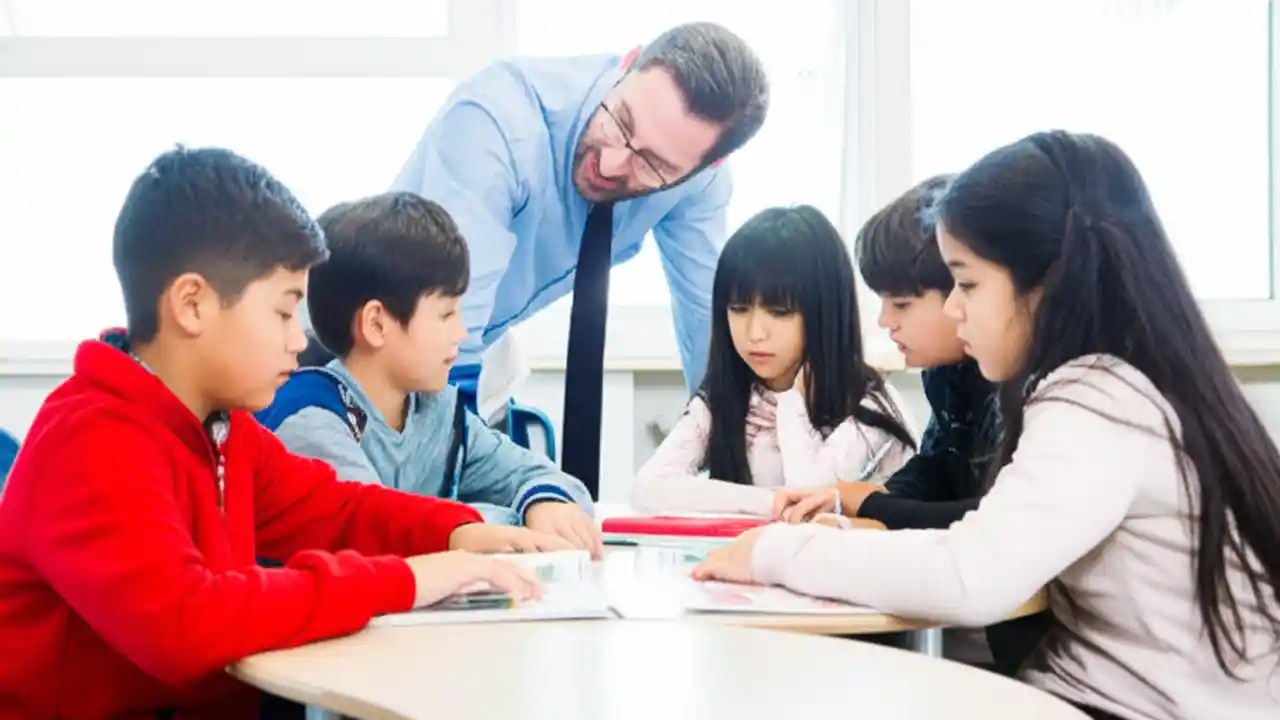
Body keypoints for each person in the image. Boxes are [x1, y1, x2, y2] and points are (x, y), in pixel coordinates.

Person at [695, 131, 1280, 720]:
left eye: (968, 283)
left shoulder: (1099, 401)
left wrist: (776, 550)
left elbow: (969, 576)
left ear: (1050, 281)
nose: (954, 308)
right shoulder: (1139, 383)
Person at [0, 147, 554, 719]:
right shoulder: (90, 443)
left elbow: (334, 510)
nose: (298, 340)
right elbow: (187, 622)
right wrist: (408, 580)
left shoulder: (224, 429)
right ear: (193, 305)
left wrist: (458, 533)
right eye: (284, 312)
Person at [390, 21, 770, 497]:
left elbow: (708, 328)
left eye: (653, 165)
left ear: (705, 166)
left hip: (468, 357)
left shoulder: (699, 183)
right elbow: (449, 316)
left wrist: (742, 487)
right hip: (355, 350)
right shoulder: (498, 118)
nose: (611, 163)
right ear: (628, 63)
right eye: (621, 121)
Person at [259, 192, 601, 556]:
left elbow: (549, 481)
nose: (462, 333)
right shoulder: (310, 419)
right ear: (377, 324)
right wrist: (494, 526)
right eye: (446, 314)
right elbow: (376, 541)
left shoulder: (438, 414)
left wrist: (544, 502)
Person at [632, 205, 915, 516]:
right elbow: (648, 488)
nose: (755, 333)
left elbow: (807, 506)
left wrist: (793, 405)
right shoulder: (728, 395)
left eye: (780, 313)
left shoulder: (869, 407)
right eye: (738, 308)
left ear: (824, 312)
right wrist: (768, 502)